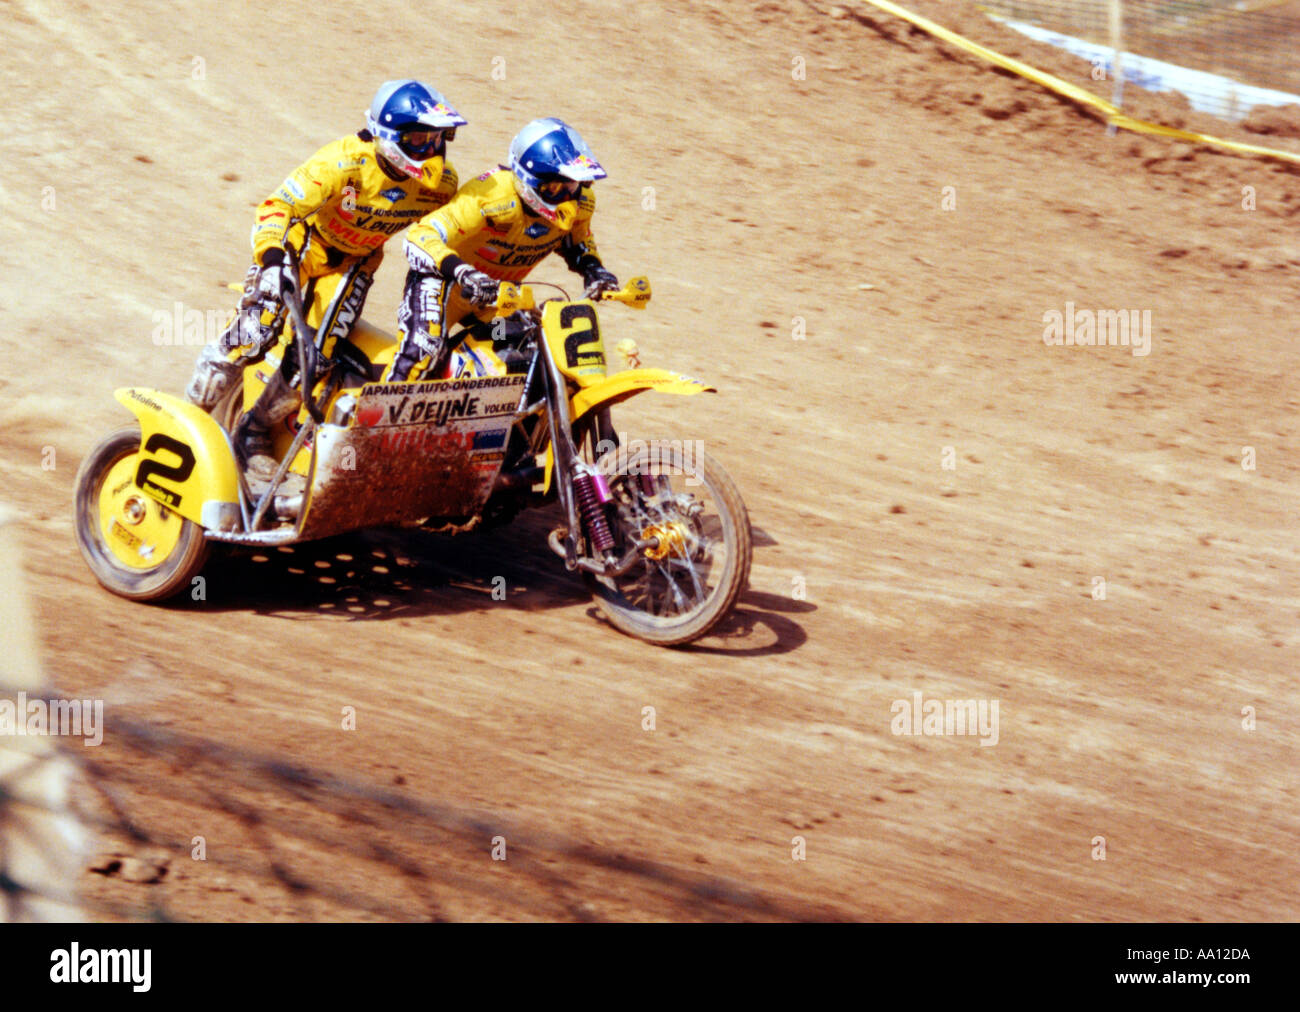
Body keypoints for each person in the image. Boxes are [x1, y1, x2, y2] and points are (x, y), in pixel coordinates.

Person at [185, 79, 467, 483]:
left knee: (313, 360)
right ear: (389, 136)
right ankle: (190, 418)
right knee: (255, 332)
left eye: (439, 138)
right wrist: (271, 258)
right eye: (420, 138)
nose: (431, 149)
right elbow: (277, 206)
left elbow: (447, 232)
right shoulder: (343, 163)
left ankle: (254, 433)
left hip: (354, 263)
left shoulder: (440, 186)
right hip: (299, 247)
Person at [386, 117, 620, 383]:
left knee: (520, 356)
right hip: (444, 288)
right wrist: (462, 271)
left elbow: (577, 242)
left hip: (496, 301)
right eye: (555, 187)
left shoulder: (582, 204)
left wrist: (594, 269)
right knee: (423, 354)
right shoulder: (489, 196)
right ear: (529, 181)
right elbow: (419, 235)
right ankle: (368, 421)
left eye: (572, 186)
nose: (567, 197)